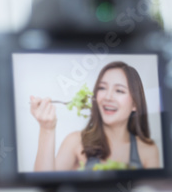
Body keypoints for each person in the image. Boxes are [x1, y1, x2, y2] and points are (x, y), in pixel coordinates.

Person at [29, 60, 160, 171]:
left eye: (119, 90)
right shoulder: (75, 142)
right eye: (102, 88)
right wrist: (47, 129)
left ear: (135, 104)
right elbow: (47, 184)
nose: (108, 97)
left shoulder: (148, 149)